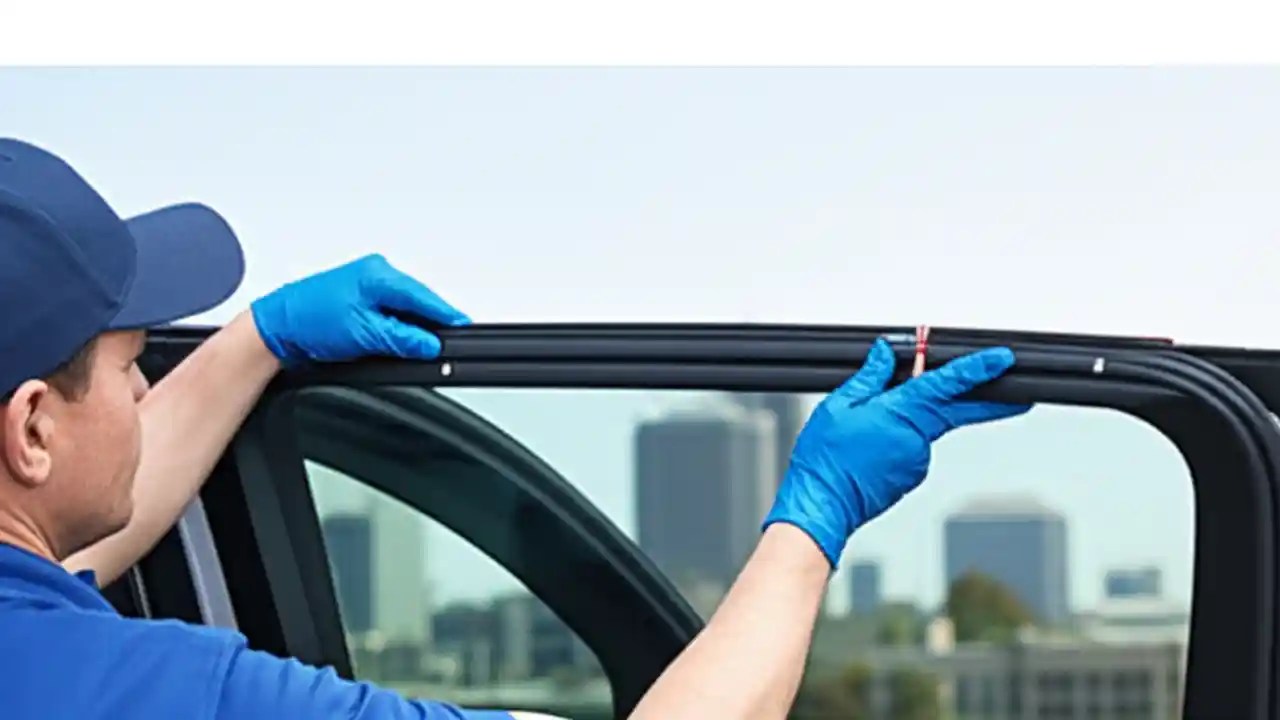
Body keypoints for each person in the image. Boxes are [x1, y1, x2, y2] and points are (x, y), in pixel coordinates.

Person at [0, 136, 1030, 720]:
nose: (147, 393)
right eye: (132, 366)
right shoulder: (176, 694)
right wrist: (813, 521)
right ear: (34, 428)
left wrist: (257, 342)